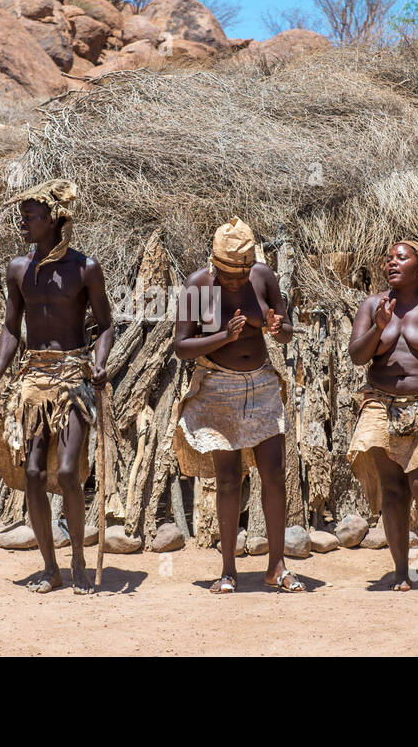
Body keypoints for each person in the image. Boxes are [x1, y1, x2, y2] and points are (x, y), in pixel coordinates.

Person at [0, 179, 113, 595]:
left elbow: (106, 325)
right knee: (35, 474)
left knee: (67, 472)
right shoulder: (18, 269)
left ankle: (77, 559)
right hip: (34, 377)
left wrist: (99, 361)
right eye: (22, 216)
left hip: (74, 377)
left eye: (33, 216)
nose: (24, 222)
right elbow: (10, 328)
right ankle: (50, 567)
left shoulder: (84, 268)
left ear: (55, 220)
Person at [172, 217, 305, 593]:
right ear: (214, 264)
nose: (234, 282)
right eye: (227, 275)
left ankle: (276, 566)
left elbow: (287, 331)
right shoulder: (198, 286)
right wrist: (221, 337)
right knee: (228, 478)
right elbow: (182, 347)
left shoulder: (263, 277)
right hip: (217, 387)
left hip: (261, 383)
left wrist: (280, 330)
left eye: (240, 275)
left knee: (275, 472)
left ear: (250, 266)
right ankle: (228, 570)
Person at [346, 240, 418, 590]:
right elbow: (357, 355)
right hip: (380, 403)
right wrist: (379, 327)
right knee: (393, 489)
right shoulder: (372, 304)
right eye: (388, 258)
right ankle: (400, 570)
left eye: (401, 257)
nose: (391, 263)